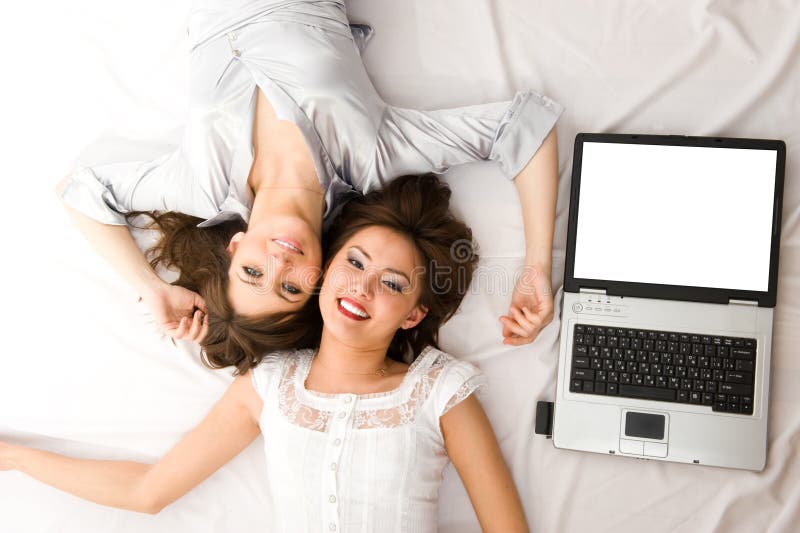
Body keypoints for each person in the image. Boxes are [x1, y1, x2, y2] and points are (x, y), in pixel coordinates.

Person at [6, 175, 529, 532]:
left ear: (414, 315)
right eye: (354, 262)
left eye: (391, 283)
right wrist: (14, 458)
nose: (361, 288)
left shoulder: (441, 391)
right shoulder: (268, 386)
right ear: (324, 273)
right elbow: (148, 491)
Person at [57, 0, 563, 367]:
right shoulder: (372, 158)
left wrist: (149, 289)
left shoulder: (200, 185)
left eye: (254, 272)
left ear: (235, 247)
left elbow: (82, 193)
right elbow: (524, 129)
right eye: (292, 286)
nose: (280, 261)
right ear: (320, 274)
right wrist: (537, 268)